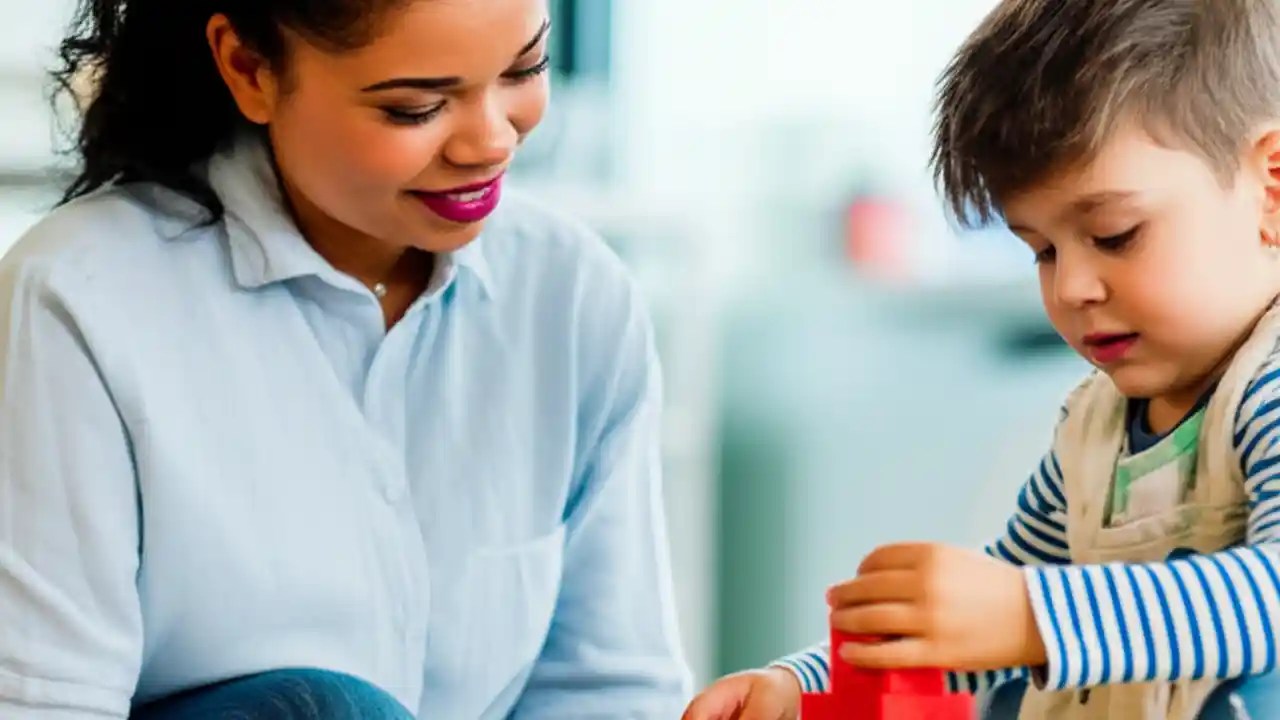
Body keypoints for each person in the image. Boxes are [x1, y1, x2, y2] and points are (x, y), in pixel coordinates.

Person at [0, 0, 691, 718]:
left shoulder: (570, 293)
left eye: (525, 69)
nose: (490, 142)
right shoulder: (80, 300)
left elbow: (608, 691)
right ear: (248, 68)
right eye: (416, 107)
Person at [684, 1, 1280, 718]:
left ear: (1271, 188)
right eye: (1043, 251)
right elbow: (984, 617)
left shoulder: (1267, 384)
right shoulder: (1097, 432)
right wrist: (801, 687)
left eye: (1115, 235)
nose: (1071, 288)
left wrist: (1029, 617)